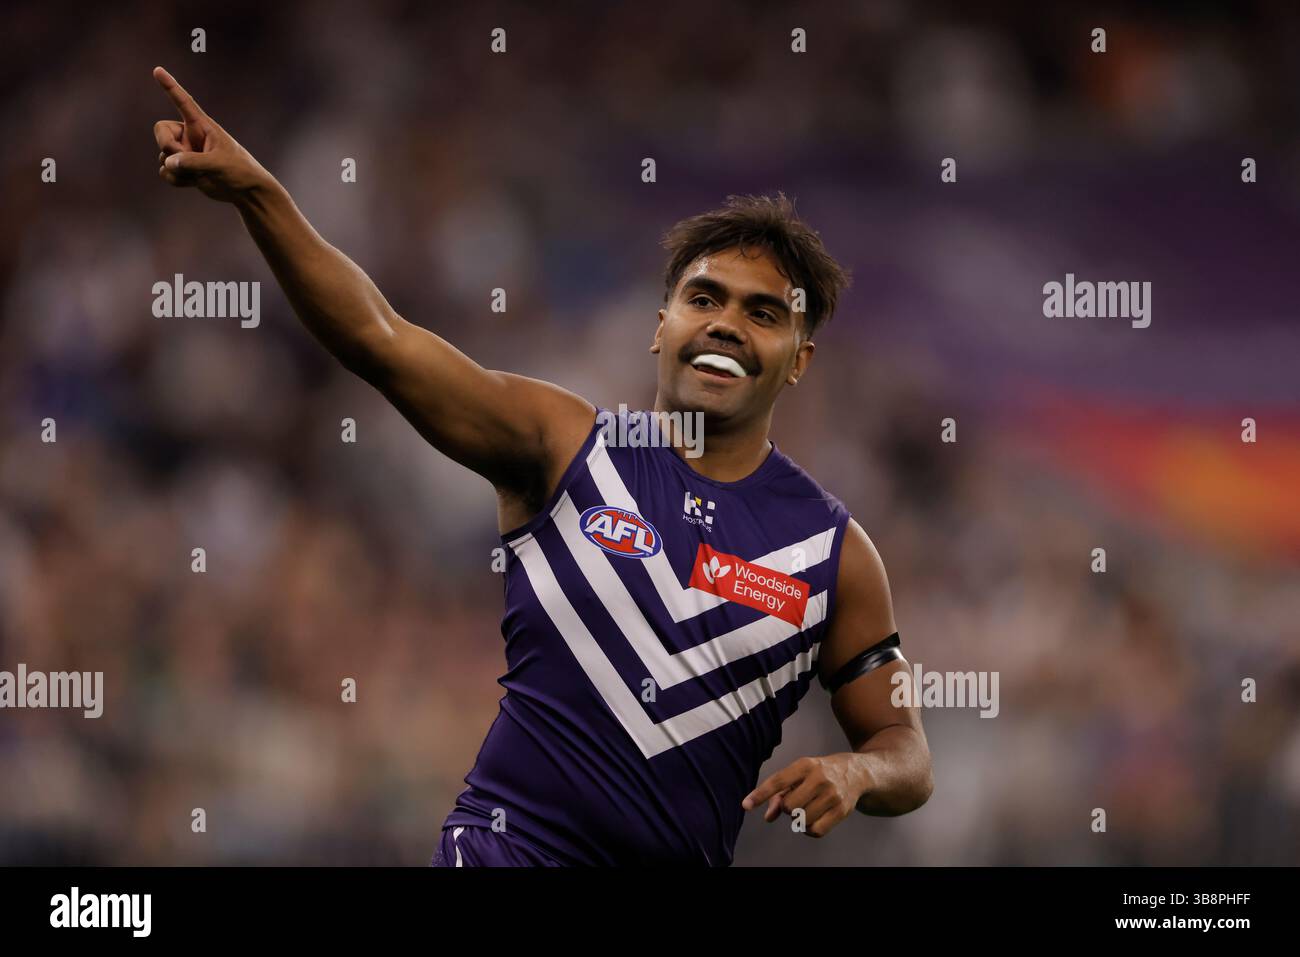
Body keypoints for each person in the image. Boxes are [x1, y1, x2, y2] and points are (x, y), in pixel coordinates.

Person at [151, 66, 934, 866]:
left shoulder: (834, 553)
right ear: (660, 325)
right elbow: (377, 337)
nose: (726, 323)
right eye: (704, 299)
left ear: (799, 359)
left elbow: (906, 746)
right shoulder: (561, 443)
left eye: (762, 313)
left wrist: (860, 769)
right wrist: (259, 195)